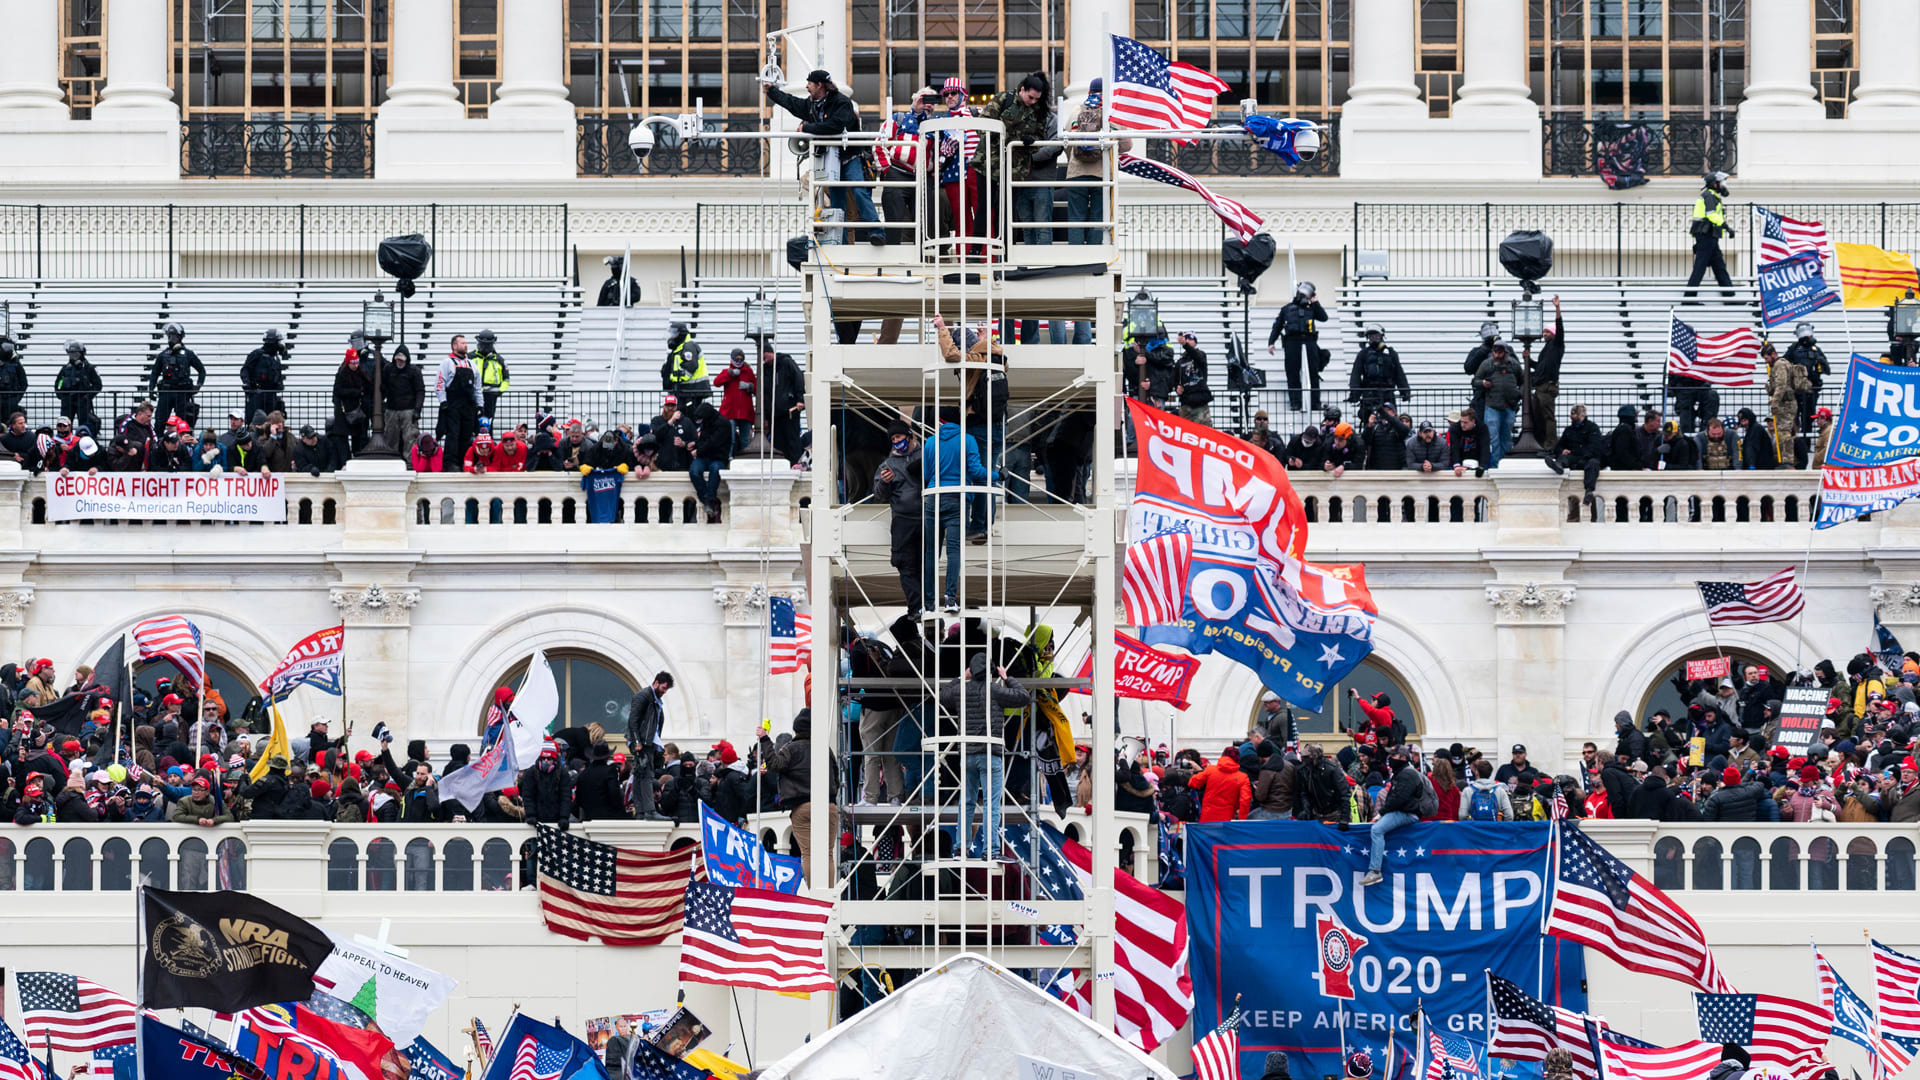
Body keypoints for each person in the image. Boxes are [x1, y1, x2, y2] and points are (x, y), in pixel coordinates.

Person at [766, 69, 884, 246]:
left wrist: (807, 128)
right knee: (837, 202)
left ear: (819, 85)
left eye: (809, 83)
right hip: (832, 159)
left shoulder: (841, 102)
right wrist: (771, 91)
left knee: (859, 191)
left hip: (850, 157)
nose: (806, 86)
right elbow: (791, 103)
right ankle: (841, 243)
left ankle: (877, 232)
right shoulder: (812, 104)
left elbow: (835, 126)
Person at [939, 652, 1034, 857]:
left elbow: (942, 694)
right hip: (990, 752)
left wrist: (961, 677)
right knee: (991, 804)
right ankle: (991, 849)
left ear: (972, 671)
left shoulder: (961, 691)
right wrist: (1007, 677)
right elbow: (1023, 696)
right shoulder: (995, 690)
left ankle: (960, 847)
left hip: (967, 753)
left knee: (966, 802)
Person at [977, 72, 1057, 252]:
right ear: (1022, 89)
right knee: (984, 207)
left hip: (1015, 168)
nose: (1033, 101)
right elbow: (983, 125)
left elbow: (1040, 136)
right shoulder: (1003, 99)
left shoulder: (1037, 111)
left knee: (1007, 209)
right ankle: (976, 248)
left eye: (1037, 99)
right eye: (1030, 97)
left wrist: (1030, 142)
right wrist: (1002, 138)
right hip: (988, 163)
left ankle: (1004, 250)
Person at [761, 709, 841, 883]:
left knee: (808, 853)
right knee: (827, 853)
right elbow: (837, 778)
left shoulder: (791, 748)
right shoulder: (825, 749)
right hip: (828, 806)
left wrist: (765, 740)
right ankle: (828, 892)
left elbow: (774, 764)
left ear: (796, 729)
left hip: (802, 807)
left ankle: (815, 893)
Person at [921, 405, 986, 613]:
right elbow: (976, 471)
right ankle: (950, 598)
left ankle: (929, 603)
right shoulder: (968, 440)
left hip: (933, 497)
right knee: (954, 551)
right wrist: (998, 476)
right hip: (958, 498)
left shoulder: (930, 442)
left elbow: (926, 474)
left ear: (941, 421)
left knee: (931, 552)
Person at [1360, 750, 1436, 886]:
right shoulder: (1403, 773)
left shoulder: (1407, 774)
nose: (1390, 758)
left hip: (1408, 812)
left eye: (1393, 755)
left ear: (1403, 757)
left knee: (1377, 830)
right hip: (1406, 811)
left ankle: (1375, 871)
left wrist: (1380, 814)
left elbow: (1398, 798)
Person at [873, 420, 924, 617]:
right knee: (905, 565)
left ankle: (928, 606)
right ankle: (916, 608)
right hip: (903, 521)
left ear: (909, 436)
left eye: (899, 437)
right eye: (893, 439)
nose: (896, 441)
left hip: (926, 518)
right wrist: (885, 483)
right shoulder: (887, 465)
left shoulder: (926, 456)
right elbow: (879, 495)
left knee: (926, 565)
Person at [876, 87, 937, 246]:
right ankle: (893, 253)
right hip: (898, 172)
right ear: (915, 100)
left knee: (926, 223)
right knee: (894, 220)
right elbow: (879, 144)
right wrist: (887, 170)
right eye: (924, 99)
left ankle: (924, 256)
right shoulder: (899, 118)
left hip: (924, 177)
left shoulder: (936, 126)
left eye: (931, 102)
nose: (927, 104)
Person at [1270, 282, 1331, 412]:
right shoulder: (1286, 309)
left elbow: (1324, 317)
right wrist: (1271, 342)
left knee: (1313, 372)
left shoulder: (1312, 308)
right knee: (1292, 373)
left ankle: (1315, 403)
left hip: (1309, 341)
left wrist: (1315, 302)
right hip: (1292, 342)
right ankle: (1295, 402)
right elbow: (1277, 326)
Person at [625, 672, 673, 821]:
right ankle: (649, 811)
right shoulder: (644, 696)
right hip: (643, 742)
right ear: (656, 682)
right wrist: (637, 742)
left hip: (647, 741)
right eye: (663, 688)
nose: (664, 692)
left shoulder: (653, 698)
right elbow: (633, 720)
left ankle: (641, 811)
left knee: (640, 775)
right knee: (646, 775)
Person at [146, 323, 207, 433]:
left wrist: (198, 385)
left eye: (174, 336)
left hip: (182, 393)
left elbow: (201, 371)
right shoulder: (163, 355)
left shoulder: (188, 354)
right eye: (170, 336)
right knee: (160, 421)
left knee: (183, 423)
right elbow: (154, 373)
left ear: (180, 337)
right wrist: (151, 388)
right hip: (166, 392)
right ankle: (159, 441)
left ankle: (184, 442)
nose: (171, 339)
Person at [1474, 340, 1524, 467]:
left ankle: (1505, 465)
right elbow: (1475, 381)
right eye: (1495, 352)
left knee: (1506, 438)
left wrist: (1519, 394)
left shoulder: (1514, 365)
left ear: (1505, 353)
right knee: (1493, 438)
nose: (1497, 355)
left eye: (1500, 352)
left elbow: (1523, 381)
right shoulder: (1486, 364)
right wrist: (1483, 383)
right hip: (1492, 406)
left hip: (1510, 406)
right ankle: (1495, 466)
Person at [1685, 171, 1734, 300]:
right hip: (1706, 235)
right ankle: (1688, 298)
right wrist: (1726, 227)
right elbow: (1711, 215)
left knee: (1719, 267)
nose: (1724, 185)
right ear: (1714, 184)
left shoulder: (1711, 196)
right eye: (1722, 182)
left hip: (1710, 235)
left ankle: (1729, 297)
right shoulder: (1709, 196)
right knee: (1700, 267)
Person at [437, 334, 483, 471]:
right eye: (462, 343)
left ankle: (464, 461)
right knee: (453, 434)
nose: (465, 345)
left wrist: (480, 405)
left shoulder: (472, 364)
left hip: (469, 405)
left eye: (465, 343)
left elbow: (477, 387)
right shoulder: (447, 362)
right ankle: (450, 463)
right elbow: (440, 383)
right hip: (453, 404)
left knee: (466, 434)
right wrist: (443, 401)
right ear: (454, 346)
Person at [1348, 324, 1409, 418]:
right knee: (1369, 419)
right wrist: (1355, 393)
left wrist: (1405, 391)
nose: (1374, 339)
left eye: (1376, 336)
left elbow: (1399, 373)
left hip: (1388, 393)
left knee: (1390, 419)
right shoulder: (1363, 354)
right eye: (1371, 337)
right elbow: (1355, 375)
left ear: (1382, 336)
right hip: (1369, 394)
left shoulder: (1391, 354)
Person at [1766, 341, 1810, 467]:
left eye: (1767, 358)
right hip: (1784, 403)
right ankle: (1785, 458)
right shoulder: (1779, 365)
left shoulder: (1780, 365)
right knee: (1781, 431)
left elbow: (1781, 385)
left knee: (1784, 432)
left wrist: (1775, 402)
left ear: (1773, 354)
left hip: (1786, 403)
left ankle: (1787, 459)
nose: (1766, 361)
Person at [687, 399, 732, 523]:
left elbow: (714, 442)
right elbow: (705, 440)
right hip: (704, 456)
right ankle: (708, 501)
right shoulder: (707, 421)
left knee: (715, 470)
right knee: (694, 471)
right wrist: (695, 444)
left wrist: (698, 451)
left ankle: (709, 500)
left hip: (718, 457)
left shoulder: (723, 423)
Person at [1530, 296, 1564, 451]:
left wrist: (1557, 308)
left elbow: (1560, 327)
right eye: (1544, 331)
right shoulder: (1547, 349)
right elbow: (1540, 367)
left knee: (1548, 417)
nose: (1544, 334)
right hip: (1540, 387)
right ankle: (1541, 442)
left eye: (1548, 331)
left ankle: (1550, 445)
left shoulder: (1557, 345)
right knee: (1538, 417)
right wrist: (1528, 360)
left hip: (1547, 387)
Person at [1546, 404, 1605, 495]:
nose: (1571, 416)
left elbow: (1594, 447)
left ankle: (1589, 491)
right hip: (1573, 457)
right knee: (1564, 457)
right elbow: (1559, 446)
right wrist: (1562, 451)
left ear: (1581, 415)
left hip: (1587, 458)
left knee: (1593, 464)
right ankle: (1559, 465)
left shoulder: (1592, 428)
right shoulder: (1569, 430)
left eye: (1573, 414)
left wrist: (1579, 454)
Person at [1187, 745, 1252, 822]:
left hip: (1207, 818)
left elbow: (1193, 783)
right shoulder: (1243, 777)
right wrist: (1241, 819)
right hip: (1227, 819)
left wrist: (1198, 771)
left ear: (1223, 756)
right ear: (1238, 759)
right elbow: (1245, 800)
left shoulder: (1210, 770)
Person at [713, 348, 758, 453]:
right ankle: (728, 457)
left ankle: (744, 458)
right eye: (736, 359)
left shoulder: (748, 372)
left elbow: (757, 390)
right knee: (730, 438)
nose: (738, 362)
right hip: (730, 411)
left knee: (745, 439)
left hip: (745, 412)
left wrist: (750, 386)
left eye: (741, 359)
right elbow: (716, 382)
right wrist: (729, 375)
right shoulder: (726, 372)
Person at [1786, 322, 1829, 433]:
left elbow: (1827, 370)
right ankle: (1796, 440)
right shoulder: (1794, 349)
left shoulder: (1816, 350)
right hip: (1796, 391)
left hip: (1811, 390)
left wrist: (1820, 362)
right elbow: (1783, 364)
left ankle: (1806, 440)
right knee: (1794, 418)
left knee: (1808, 419)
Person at [54, 341, 103, 437]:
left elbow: (97, 385)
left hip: (83, 402)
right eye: (71, 354)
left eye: (76, 354)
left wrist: (87, 396)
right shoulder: (65, 369)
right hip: (68, 402)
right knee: (65, 425)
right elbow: (58, 383)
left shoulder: (88, 368)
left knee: (84, 426)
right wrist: (61, 394)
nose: (73, 356)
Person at [384, 344, 425, 453]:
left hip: (408, 410)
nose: (400, 362)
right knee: (391, 438)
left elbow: (420, 391)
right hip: (393, 408)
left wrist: (417, 409)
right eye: (398, 359)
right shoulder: (388, 369)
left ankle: (410, 460)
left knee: (409, 439)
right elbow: (383, 387)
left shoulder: (414, 371)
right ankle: (393, 458)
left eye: (402, 360)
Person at [332, 348, 374, 455]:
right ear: (348, 362)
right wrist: (357, 392)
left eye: (357, 363)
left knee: (357, 437)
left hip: (356, 411)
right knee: (345, 438)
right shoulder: (342, 374)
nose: (355, 365)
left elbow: (368, 386)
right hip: (345, 411)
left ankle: (356, 455)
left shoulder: (361, 373)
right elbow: (338, 390)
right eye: (353, 363)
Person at [241, 329, 289, 420]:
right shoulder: (257, 354)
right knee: (256, 419)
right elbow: (245, 370)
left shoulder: (275, 358)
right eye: (278, 342)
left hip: (271, 394)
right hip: (257, 393)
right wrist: (247, 383)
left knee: (272, 419)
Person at [663, 323, 710, 404]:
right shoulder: (680, 348)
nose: (672, 336)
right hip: (686, 390)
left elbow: (690, 367)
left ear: (681, 334)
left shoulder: (688, 347)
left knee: (688, 411)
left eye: (674, 333)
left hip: (692, 390)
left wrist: (673, 378)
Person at [472, 330, 509, 423]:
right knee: (472, 421)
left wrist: (499, 391)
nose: (485, 347)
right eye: (483, 344)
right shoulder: (470, 357)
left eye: (487, 344)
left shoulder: (499, 360)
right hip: (474, 395)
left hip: (491, 396)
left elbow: (506, 379)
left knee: (488, 421)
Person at [1175, 332, 1211, 425]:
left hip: (1200, 402)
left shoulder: (1201, 354)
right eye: (1186, 339)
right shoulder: (1180, 361)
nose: (1188, 341)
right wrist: (1177, 388)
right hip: (1186, 403)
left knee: (1204, 430)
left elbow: (1196, 355)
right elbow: (1174, 379)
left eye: (1190, 339)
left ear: (1195, 343)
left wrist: (1185, 345)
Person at [1448, 409, 1489, 476]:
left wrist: (1482, 466)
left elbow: (1485, 447)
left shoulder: (1482, 428)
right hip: (1461, 458)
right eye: (1461, 422)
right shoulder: (1455, 428)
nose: (1462, 425)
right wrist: (1456, 465)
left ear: (1473, 421)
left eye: (1465, 422)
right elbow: (1454, 447)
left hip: (1477, 458)